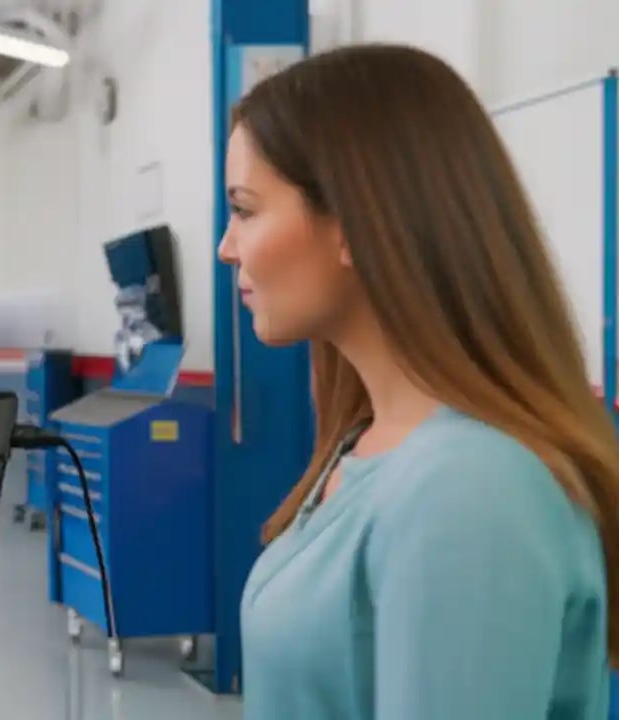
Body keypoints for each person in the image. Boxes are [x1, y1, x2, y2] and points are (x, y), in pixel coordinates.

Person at [219, 44, 619, 719]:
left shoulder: (472, 488)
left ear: (354, 224)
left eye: (247, 209)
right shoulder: (369, 447)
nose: (228, 246)